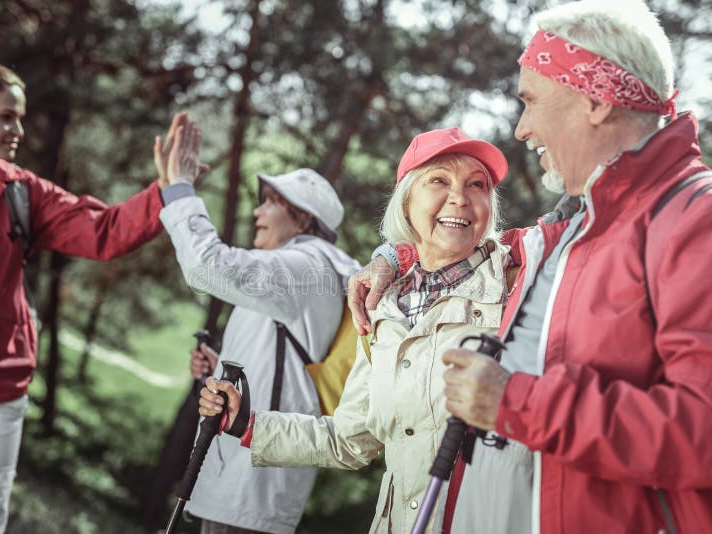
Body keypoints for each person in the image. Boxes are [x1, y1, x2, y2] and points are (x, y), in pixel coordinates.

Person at [349, 1, 712, 532]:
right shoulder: (569, 230)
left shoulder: (705, 215)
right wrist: (392, 258)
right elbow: (452, 247)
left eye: (530, 101)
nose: (522, 128)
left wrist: (515, 401)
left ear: (594, 102)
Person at [197, 126, 513, 533]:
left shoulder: (517, 282)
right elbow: (350, 439)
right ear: (406, 202)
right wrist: (247, 424)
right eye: (439, 180)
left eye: (477, 185)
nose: (460, 197)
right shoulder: (382, 306)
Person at [0, 60, 172, 533]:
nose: (18, 129)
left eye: (20, 117)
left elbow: (101, 231)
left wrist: (166, 192)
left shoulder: (22, 193)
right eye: (6, 116)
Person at [155, 115, 361, 534]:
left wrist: (178, 189)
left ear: (302, 219)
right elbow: (279, 357)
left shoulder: (304, 266)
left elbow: (205, 265)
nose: (256, 210)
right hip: (243, 480)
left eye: (270, 202)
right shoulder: (299, 272)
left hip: (250, 485)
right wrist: (218, 365)